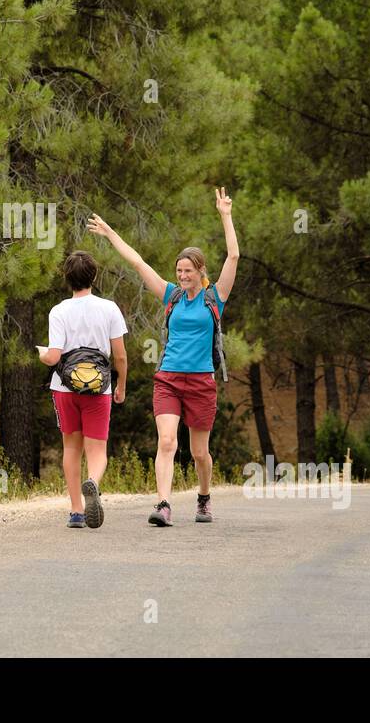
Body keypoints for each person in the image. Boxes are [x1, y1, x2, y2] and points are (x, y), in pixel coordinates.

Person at [88, 187, 239, 526]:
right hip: (168, 379)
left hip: (201, 381)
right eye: (179, 271)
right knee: (167, 441)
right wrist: (111, 233)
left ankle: (203, 498)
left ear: (200, 272)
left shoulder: (216, 296)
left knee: (200, 453)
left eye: (188, 271)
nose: (182, 276)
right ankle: (164, 505)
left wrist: (225, 216)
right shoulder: (170, 295)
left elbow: (233, 258)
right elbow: (138, 261)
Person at [36, 251, 127, 529]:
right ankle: (94, 482)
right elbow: (120, 356)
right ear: (94, 276)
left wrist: (41, 354)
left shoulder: (59, 310)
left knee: (71, 448)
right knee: (97, 449)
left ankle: (76, 510)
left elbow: (53, 357)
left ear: (67, 279)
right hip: (99, 389)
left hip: (65, 388)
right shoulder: (109, 308)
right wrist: (120, 384)